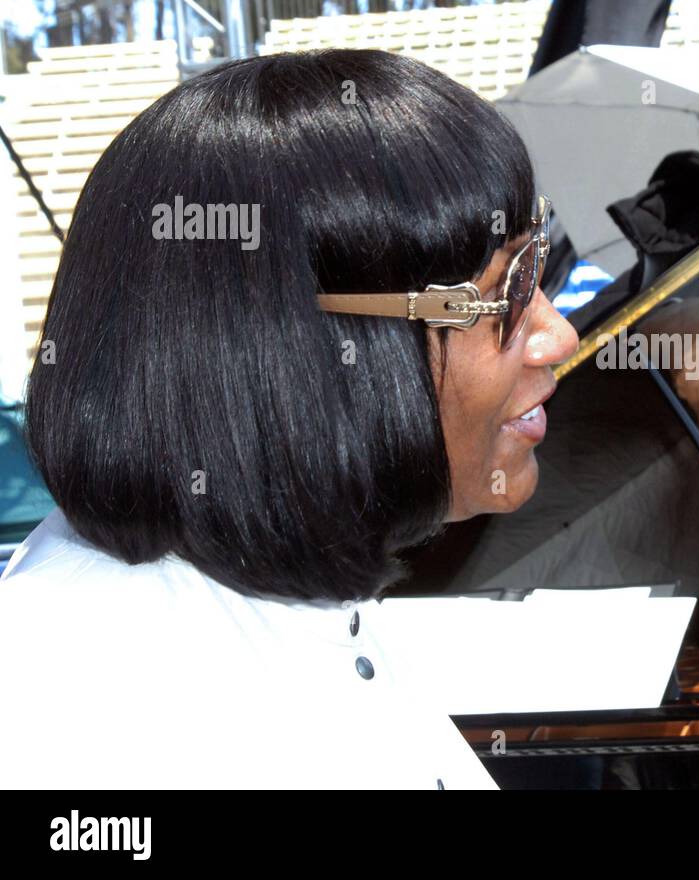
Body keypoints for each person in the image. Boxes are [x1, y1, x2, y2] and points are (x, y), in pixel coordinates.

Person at [0, 49, 577, 788]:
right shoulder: (74, 709)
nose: (558, 336)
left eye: (539, 263)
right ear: (293, 348)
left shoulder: (290, 606)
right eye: (508, 287)